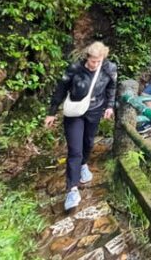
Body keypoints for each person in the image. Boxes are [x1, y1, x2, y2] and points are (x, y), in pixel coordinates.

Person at [45, 41, 117, 211]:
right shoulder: (75, 69)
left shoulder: (109, 68)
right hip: (75, 113)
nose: (95, 65)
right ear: (87, 57)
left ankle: (84, 164)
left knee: (88, 143)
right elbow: (60, 89)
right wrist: (52, 112)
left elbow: (112, 87)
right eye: (92, 61)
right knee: (75, 150)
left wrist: (109, 106)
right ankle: (72, 189)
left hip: (94, 110)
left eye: (98, 61)